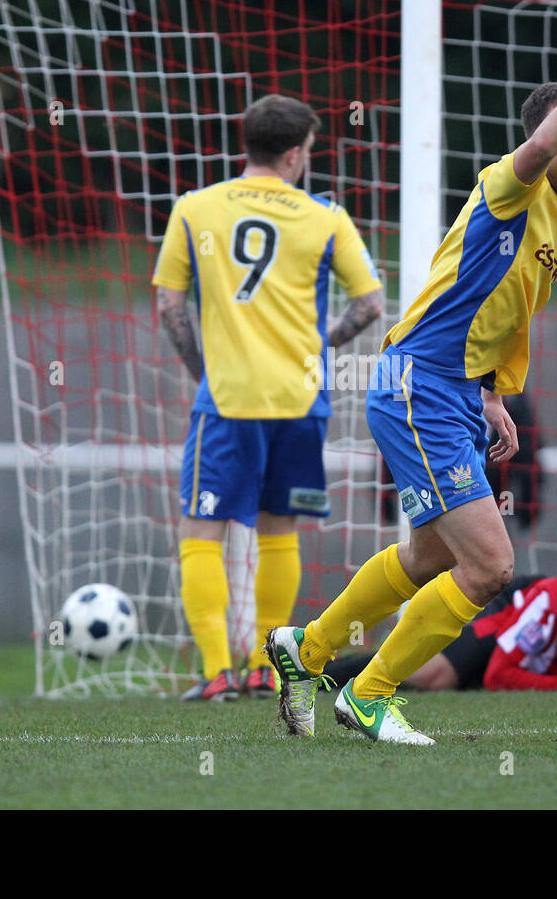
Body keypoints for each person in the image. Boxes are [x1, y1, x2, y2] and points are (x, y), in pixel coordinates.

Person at [265, 0, 557, 743]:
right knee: (489, 567)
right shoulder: (507, 185)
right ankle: (370, 694)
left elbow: (496, 308)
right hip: (415, 383)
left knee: (426, 557)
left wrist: (489, 394)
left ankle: (310, 649)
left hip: (450, 391)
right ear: (544, 146)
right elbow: (546, 136)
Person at [152, 94, 383, 701]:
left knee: (203, 527)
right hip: (300, 400)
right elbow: (371, 304)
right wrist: (319, 349)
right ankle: (263, 666)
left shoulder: (195, 208)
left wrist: (205, 369)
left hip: (226, 401)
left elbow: (169, 306)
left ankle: (213, 673)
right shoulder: (326, 217)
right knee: (280, 530)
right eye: (308, 150)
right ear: (292, 153)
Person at [323, 568, 557, 692]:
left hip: (533, 636)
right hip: (511, 613)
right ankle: (315, 673)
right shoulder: (550, 609)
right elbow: (498, 674)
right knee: (433, 675)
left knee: (457, 685)